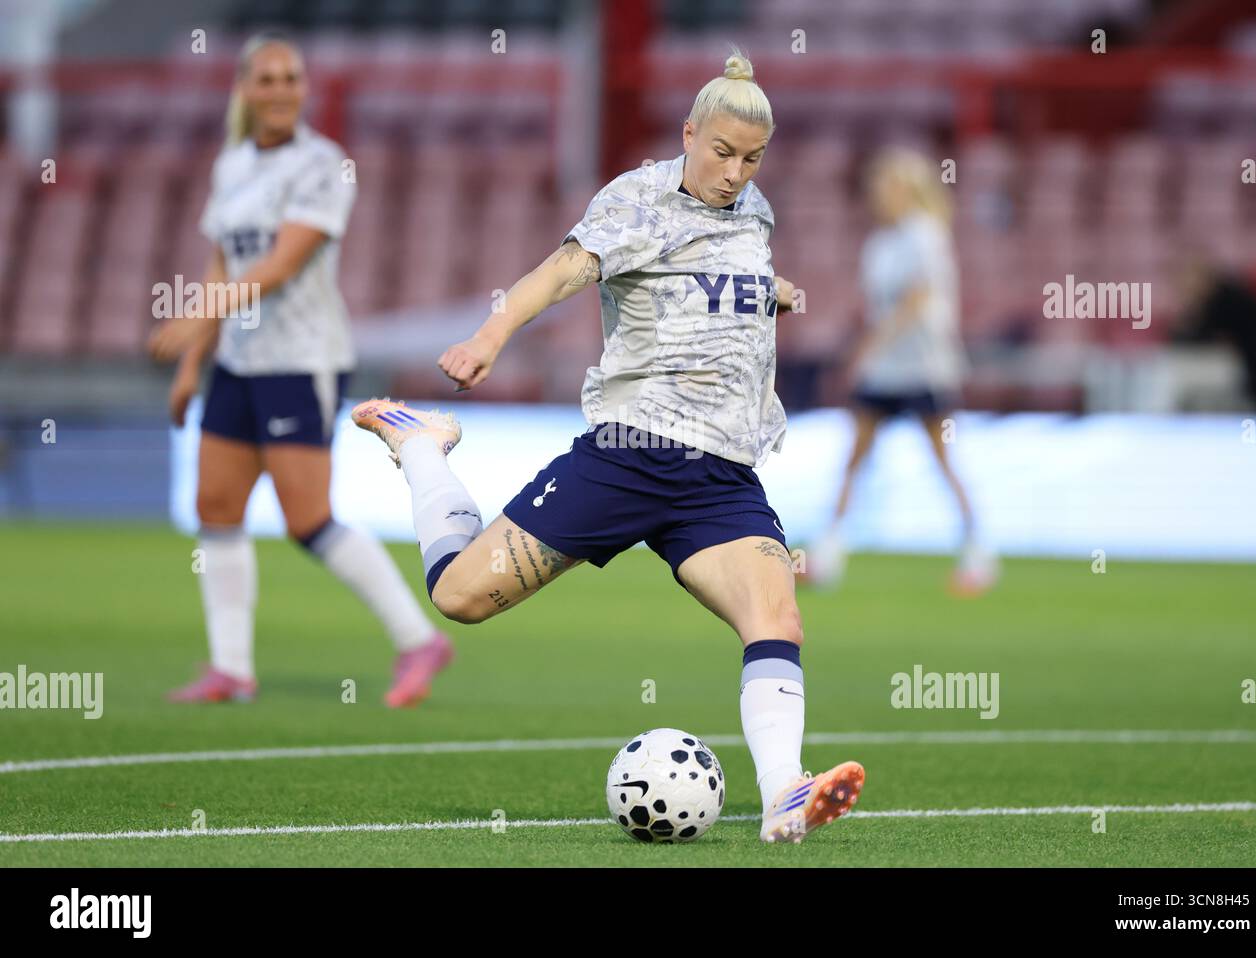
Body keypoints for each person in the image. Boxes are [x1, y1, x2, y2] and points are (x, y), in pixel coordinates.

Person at [351, 51, 864, 844]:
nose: (734, 172)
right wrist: (490, 335)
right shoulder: (638, 200)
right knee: (459, 597)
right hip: (629, 455)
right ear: (689, 133)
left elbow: (724, 278)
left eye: (752, 159)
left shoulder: (753, 213)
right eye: (721, 152)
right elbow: (562, 274)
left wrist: (777, 292)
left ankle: (783, 796)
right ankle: (422, 447)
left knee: (778, 619)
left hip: (722, 476)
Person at [148, 33, 453, 706]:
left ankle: (419, 639)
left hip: (301, 360)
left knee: (307, 518)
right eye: (268, 78)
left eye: (292, 77)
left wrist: (196, 321)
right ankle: (232, 668)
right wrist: (193, 364)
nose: (282, 89)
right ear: (246, 90)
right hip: (237, 362)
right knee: (215, 507)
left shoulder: (325, 165)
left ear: (303, 88)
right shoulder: (231, 166)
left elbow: (282, 264)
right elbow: (221, 264)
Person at [811, 147, 997, 596]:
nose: (879, 196)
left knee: (942, 459)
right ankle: (828, 552)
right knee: (854, 458)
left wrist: (868, 347)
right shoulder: (879, 242)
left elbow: (916, 301)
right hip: (886, 367)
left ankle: (978, 552)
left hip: (925, 367)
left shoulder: (925, 235)